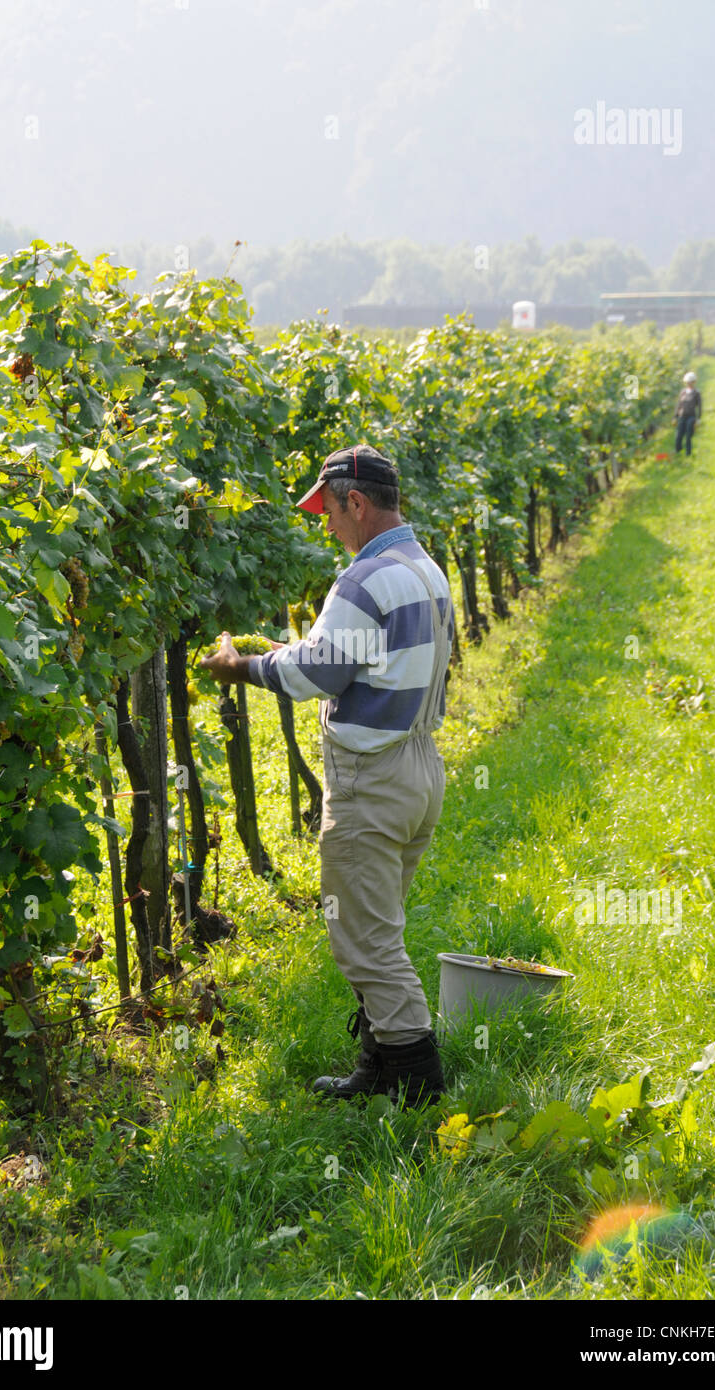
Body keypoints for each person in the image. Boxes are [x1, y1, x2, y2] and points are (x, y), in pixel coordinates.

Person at [200, 444, 454, 1107]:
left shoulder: (363, 580)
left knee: (366, 942)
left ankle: (418, 1085)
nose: (329, 527)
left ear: (357, 503)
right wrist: (292, 651)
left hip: (372, 781)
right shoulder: (424, 569)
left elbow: (318, 674)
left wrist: (241, 666)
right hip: (418, 770)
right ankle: (380, 1065)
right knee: (377, 927)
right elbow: (351, 658)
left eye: (331, 513)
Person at [674, 371, 702, 457]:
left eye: (691, 382)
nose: (689, 383)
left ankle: (688, 453)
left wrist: (698, 419)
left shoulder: (696, 393)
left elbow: (699, 406)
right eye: (688, 382)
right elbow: (679, 404)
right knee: (679, 435)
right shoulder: (683, 392)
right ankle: (678, 451)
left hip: (691, 417)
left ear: (694, 382)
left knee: (688, 435)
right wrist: (675, 417)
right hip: (682, 416)